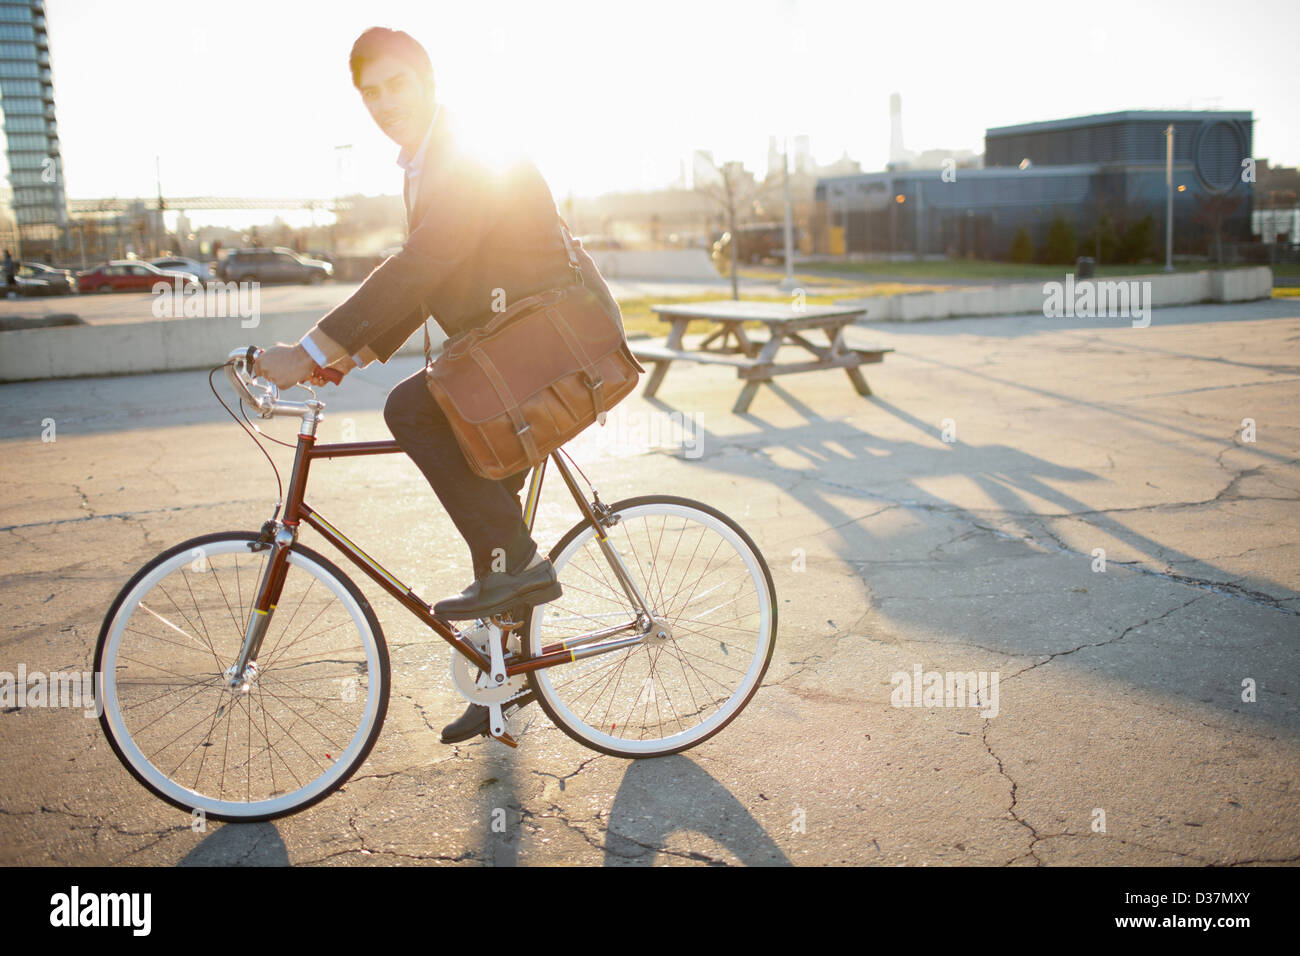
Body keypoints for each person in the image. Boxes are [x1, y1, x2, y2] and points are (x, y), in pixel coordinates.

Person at [253, 27, 622, 744]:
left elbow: (425, 261)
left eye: (397, 84)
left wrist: (312, 348)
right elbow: (435, 276)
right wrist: (351, 352)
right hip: (505, 343)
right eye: (371, 93)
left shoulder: (462, 150)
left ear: (428, 82)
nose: (385, 102)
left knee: (413, 408)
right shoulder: (425, 162)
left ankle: (521, 570)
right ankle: (502, 680)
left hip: (548, 336)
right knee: (486, 518)